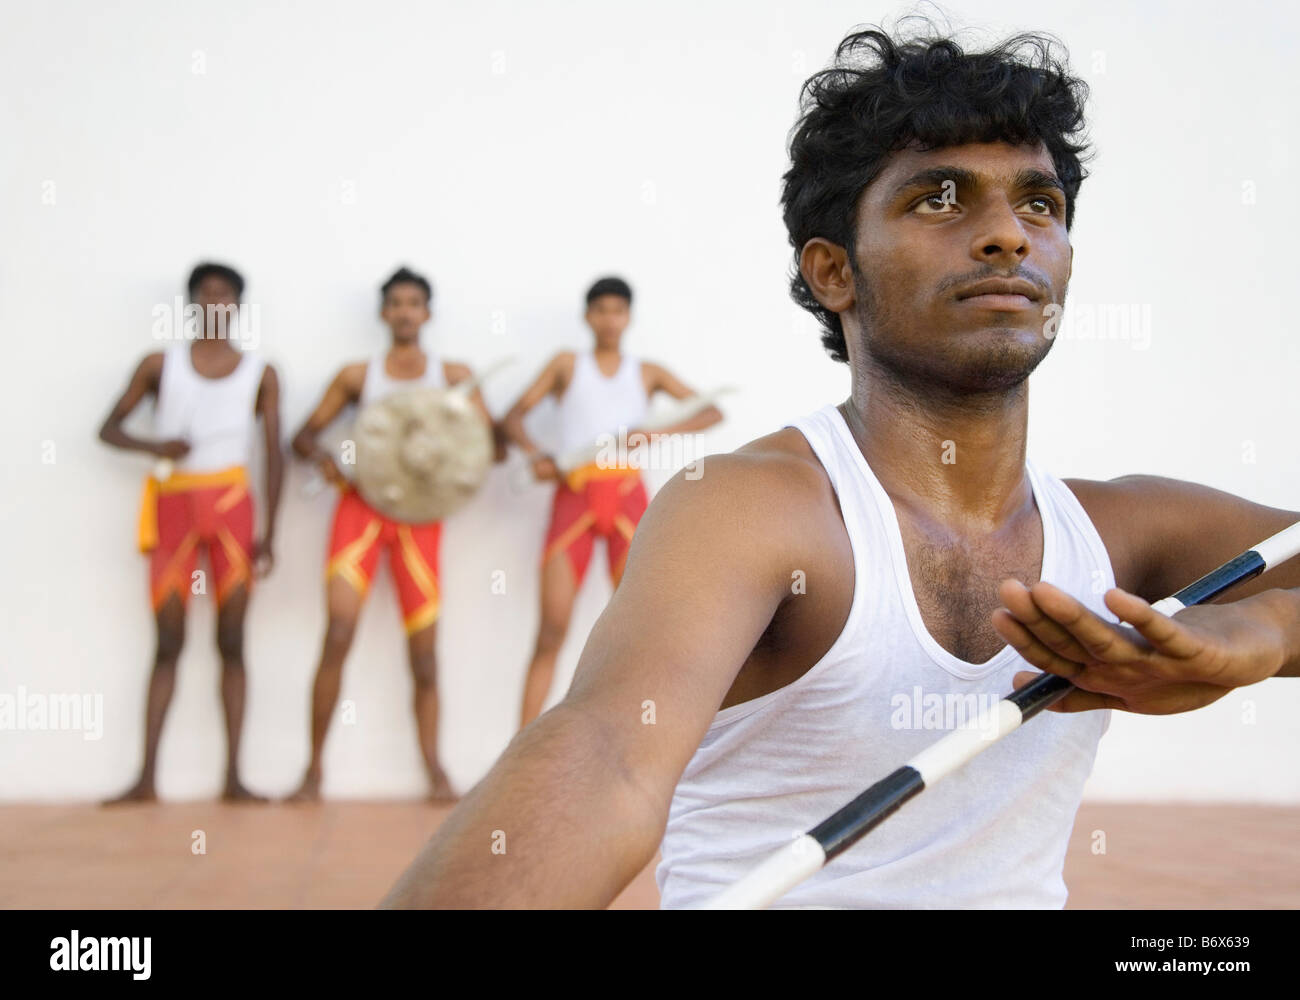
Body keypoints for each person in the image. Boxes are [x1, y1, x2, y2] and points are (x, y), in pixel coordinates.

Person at [381, 22, 1300, 908]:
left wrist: (1263, 639)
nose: (1008, 235)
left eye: (1038, 203)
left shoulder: (1127, 530)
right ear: (834, 272)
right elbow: (609, 754)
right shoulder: (748, 509)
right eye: (938, 197)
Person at [289, 267, 501, 803]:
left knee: (425, 656)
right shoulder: (357, 375)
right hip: (359, 512)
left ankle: (436, 771)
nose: (405, 312)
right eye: (396, 303)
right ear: (384, 313)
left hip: (421, 520)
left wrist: (470, 422)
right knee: (338, 634)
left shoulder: (453, 373)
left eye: (415, 303)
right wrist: (331, 463)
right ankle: (312, 773)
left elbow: (490, 448)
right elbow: (302, 438)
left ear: (427, 313)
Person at [499, 276, 723, 729]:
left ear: (628, 317)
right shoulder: (566, 365)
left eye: (617, 310)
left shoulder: (646, 372)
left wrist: (658, 434)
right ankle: (518, 750)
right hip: (575, 495)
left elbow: (712, 410)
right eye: (600, 310)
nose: (609, 319)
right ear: (588, 316)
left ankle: (632, 743)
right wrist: (538, 456)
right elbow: (513, 417)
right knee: (552, 629)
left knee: (638, 629)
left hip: (626, 498)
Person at [99, 261, 282, 803]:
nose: (215, 303)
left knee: (232, 640)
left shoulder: (260, 372)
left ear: (239, 306)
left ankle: (233, 778)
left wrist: (270, 530)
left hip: (233, 507)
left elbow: (274, 454)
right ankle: (147, 777)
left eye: (225, 295)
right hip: (174, 507)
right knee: (169, 641)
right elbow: (108, 428)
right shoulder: (161, 365)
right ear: (191, 303)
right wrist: (156, 447)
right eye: (206, 295)